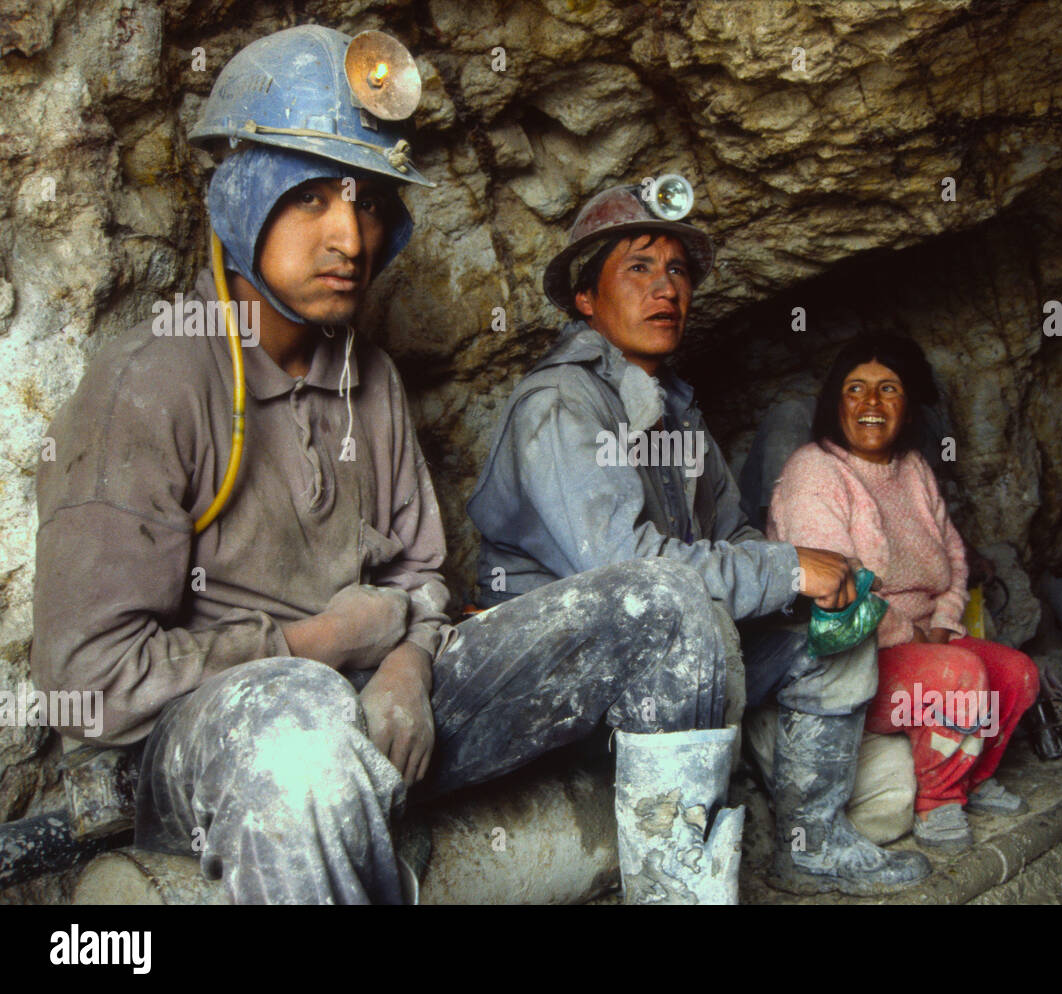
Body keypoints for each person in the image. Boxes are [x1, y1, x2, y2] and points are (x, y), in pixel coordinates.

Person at [30, 26, 737, 905]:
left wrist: (406, 664)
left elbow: (418, 574)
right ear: (244, 198)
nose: (350, 238)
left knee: (662, 604)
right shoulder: (151, 380)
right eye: (313, 199)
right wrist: (309, 646)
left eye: (366, 203)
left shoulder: (372, 378)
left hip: (378, 700)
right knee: (302, 726)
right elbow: (88, 684)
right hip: (215, 751)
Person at [468, 182, 931, 895]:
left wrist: (803, 581)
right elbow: (631, 575)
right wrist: (785, 570)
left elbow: (736, 533)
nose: (667, 288)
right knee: (692, 614)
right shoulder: (560, 404)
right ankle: (672, 876)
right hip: (575, 671)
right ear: (585, 300)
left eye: (678, 270)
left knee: (828, 629)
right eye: (640, 268)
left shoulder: (678, 414)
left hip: (674, 641)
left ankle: (809, 841)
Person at [766, 333, 1040, 850]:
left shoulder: (912, 468)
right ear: (834, 403)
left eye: (888, 389)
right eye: (856, 389)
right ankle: (937, 801)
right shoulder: (814, 471)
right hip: (851, 657)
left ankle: (970, 779)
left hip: (924, 643)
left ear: (907, 406)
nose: (871, 403)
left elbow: (955, 558)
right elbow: (838, 588)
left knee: (1016, 673)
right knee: (958, 676)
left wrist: (944, 622)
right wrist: (910, 632)